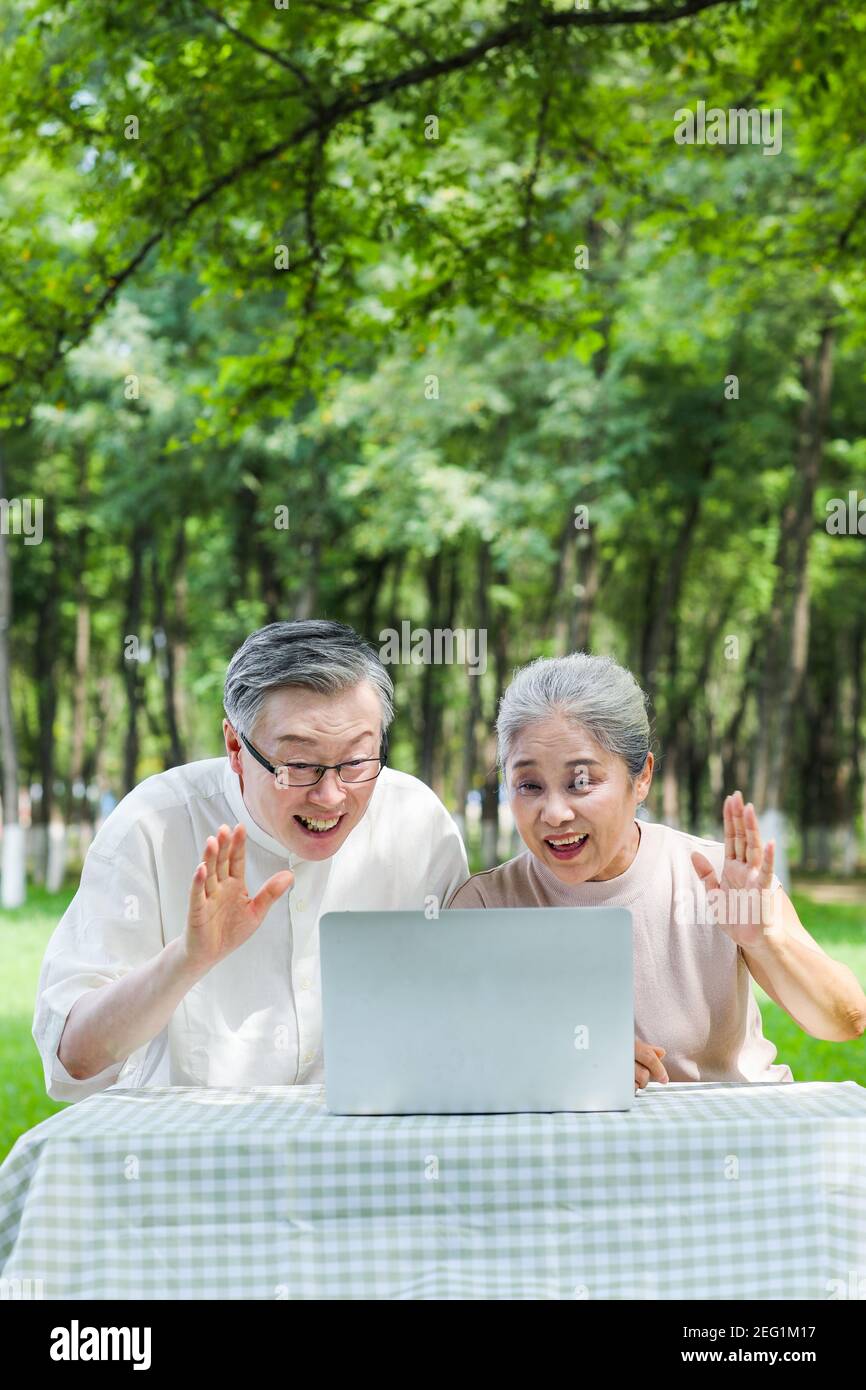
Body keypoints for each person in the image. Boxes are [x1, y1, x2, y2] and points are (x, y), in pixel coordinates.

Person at [33, 620, 468, 1102]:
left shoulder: (416, 822)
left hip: (369, 1150)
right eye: (299, 766)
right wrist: (188, 958)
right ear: (236, 748)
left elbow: (468, 1011)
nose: (330, 795)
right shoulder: (153, 826)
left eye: (356, 761)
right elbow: (70, 1061)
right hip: (190, 1157)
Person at [448, 652, 866, 1087]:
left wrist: (765, 940)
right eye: (529, 785)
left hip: (733, 1136)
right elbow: (445, 1057)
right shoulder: (484, 906)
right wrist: (552, 1057)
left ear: (642, 777)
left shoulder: (717, 878)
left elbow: (844, 1022)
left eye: (582, 782)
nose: (554, 813)